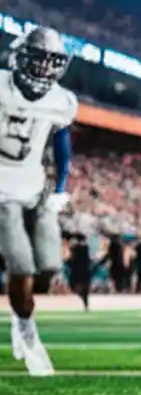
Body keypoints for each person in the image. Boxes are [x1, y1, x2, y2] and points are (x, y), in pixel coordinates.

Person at [0, 26, 77, 376]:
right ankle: (26, 330)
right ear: (19, 58)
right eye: (39, 60)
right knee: (21, 265)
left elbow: (63, 151)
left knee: (48, 268)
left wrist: (60, 189)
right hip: (3, 193)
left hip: (34, 189)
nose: (45, 69)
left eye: (52, 63)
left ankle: (21, 315)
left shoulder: (61, 101)